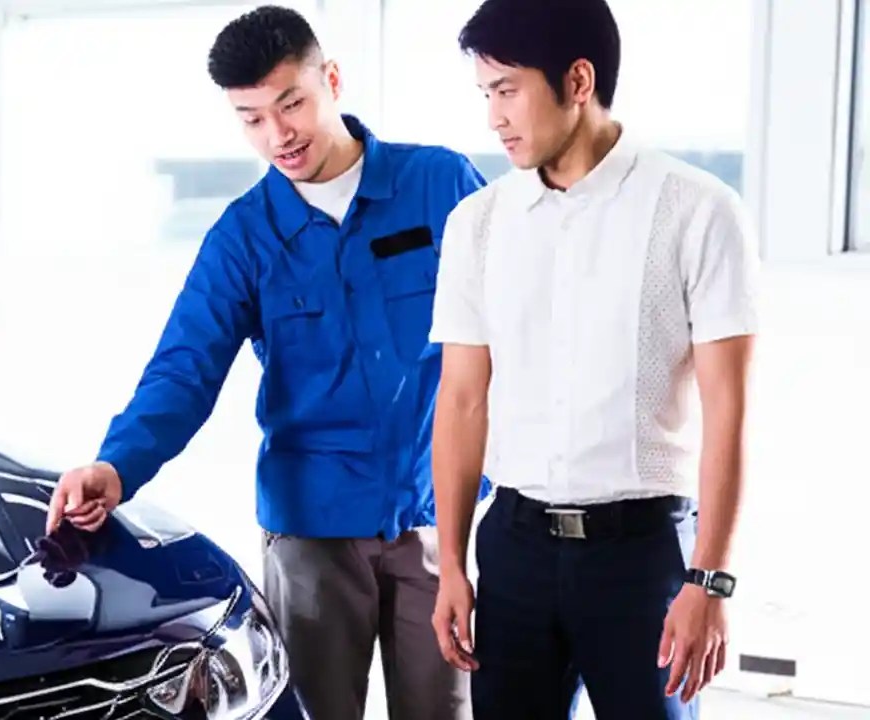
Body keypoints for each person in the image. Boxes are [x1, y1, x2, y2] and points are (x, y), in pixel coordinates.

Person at [43, 5, 486, 719]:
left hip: (439, 520)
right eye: (251, 118)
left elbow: (513, 334)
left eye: (292, 104)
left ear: (331, 80)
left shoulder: (439, 186)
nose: (277, 135)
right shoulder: (243, 237)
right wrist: (115, 466)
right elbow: (184, 370)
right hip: (312, 530)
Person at [427, 0, 760, 718]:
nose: (493, 117)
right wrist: (452, 564)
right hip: (513, 550)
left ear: (578, 81)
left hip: (642, 558)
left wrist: (711, 580)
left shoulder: (699, 210)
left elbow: (730, 414)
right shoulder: (477, 224)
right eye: (485, 94)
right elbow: (461, 401)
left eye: (507, 89)